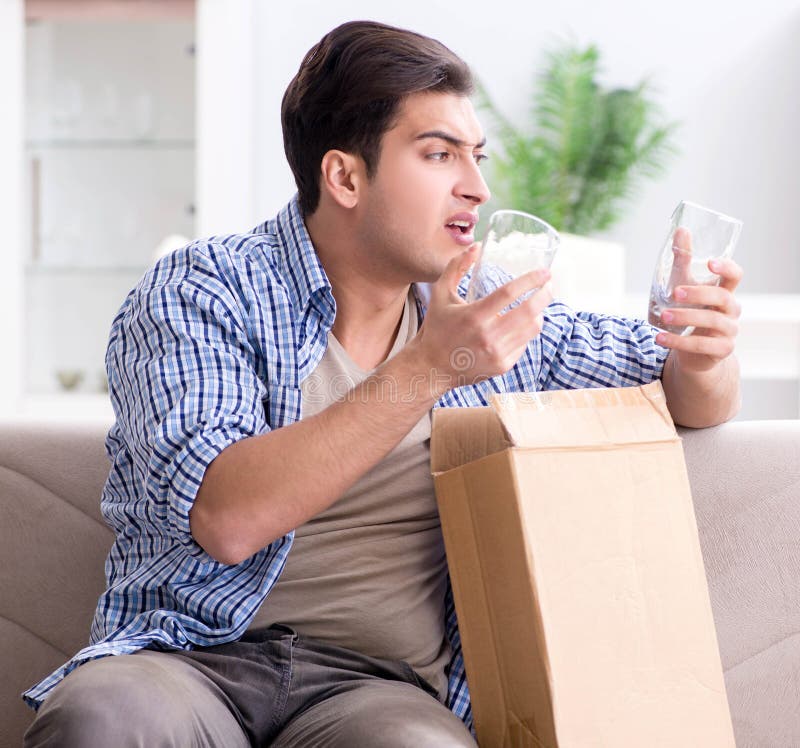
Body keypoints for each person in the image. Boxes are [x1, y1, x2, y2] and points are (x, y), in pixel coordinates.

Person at [23, 19, 742, 748]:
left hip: (379, 688)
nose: (477, 188)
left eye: (477, 157)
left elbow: (680, 389)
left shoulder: (484, 311)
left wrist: (703, 353)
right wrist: (432, 366)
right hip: (191, 659)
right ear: (344, 177)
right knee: (104, 720)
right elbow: (227, 519)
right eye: (439, 154)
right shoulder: (205, 289)